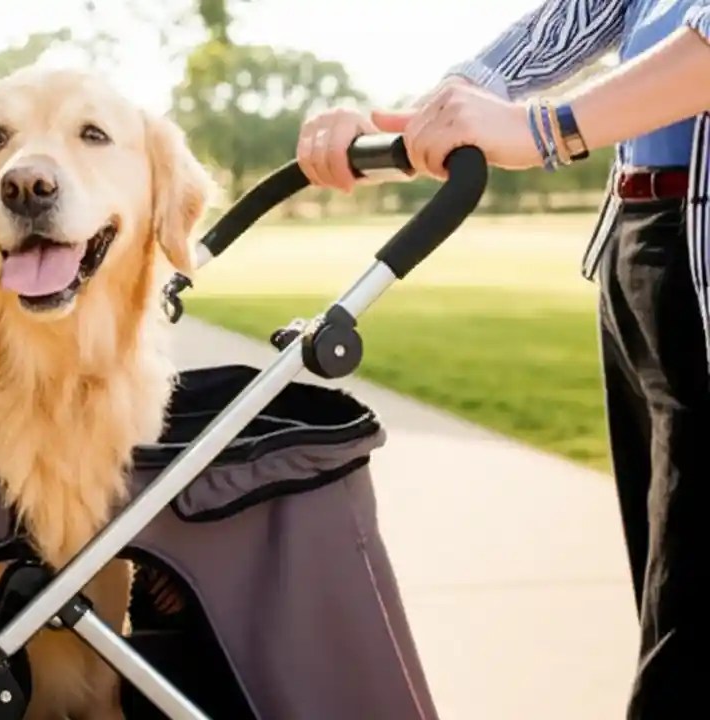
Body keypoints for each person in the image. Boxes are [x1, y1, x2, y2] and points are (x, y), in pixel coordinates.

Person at [296, 2, 710, 718]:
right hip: (643, 241)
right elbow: (571, 20)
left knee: (690, 620)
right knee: (663, 575)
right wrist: (427, 121)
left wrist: (544, 131)